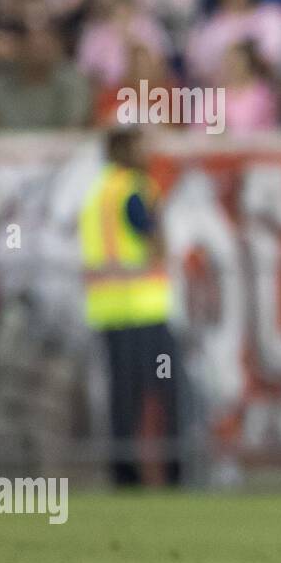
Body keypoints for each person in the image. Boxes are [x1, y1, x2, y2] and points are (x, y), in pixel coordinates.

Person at [78, 125, 181, 485]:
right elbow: (155, 242)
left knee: (123, 398)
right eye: (140, 147)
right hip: (143, 309)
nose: (147, 154)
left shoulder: (97, 192)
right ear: (125, 152)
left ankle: (124, 476)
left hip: (109, 310)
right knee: (168, 391)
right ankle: (173, 473)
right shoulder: (134, 190)